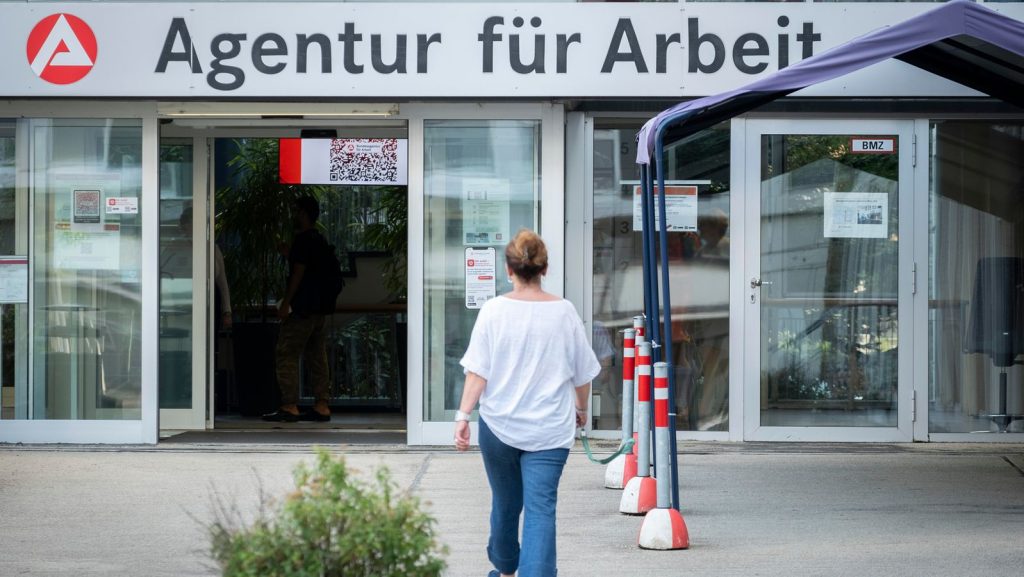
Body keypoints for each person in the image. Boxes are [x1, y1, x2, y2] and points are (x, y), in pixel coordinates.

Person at [454, 229, 601, 577]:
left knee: (506, 503)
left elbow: (478, 373)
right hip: (550, 431)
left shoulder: (493, 312)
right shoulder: (565, 313)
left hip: (499, 427)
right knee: (540, 510)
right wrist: (581, 410)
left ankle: (505, 570)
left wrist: (463, 415)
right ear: (544, 269)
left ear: (509, 270)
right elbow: (583, 376)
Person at [262, 196, 331, 423]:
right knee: (317, 356)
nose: (293, 215)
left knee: (286, 353)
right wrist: (288, 255)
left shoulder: (302, 240)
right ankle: (322, 405)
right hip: (319, 309)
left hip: (301, 309)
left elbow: (299, 274)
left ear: (303, 214)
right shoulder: (319, 240)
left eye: (295, 211)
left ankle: (289, 405)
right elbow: (313, 270)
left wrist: (285, 303)